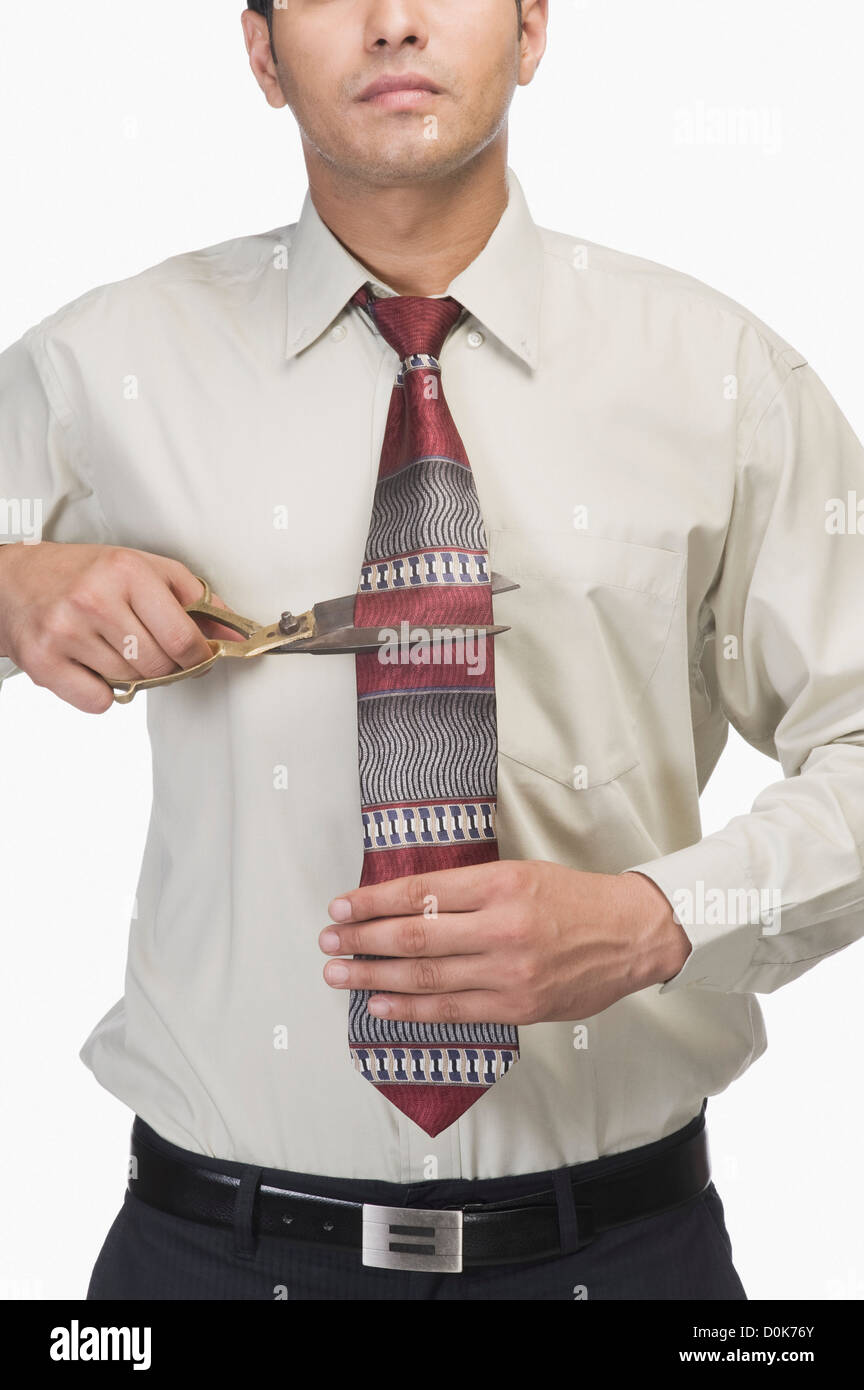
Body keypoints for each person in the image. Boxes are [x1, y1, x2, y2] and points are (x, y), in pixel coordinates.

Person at [1, 0, 862, 1302]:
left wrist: (655, 920)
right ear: (259, 48)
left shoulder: (723, 379)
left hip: (624, 1259)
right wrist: (8, 584)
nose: (396, 22)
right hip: (207, 1265)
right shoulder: (104, 365)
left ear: (529, 29)